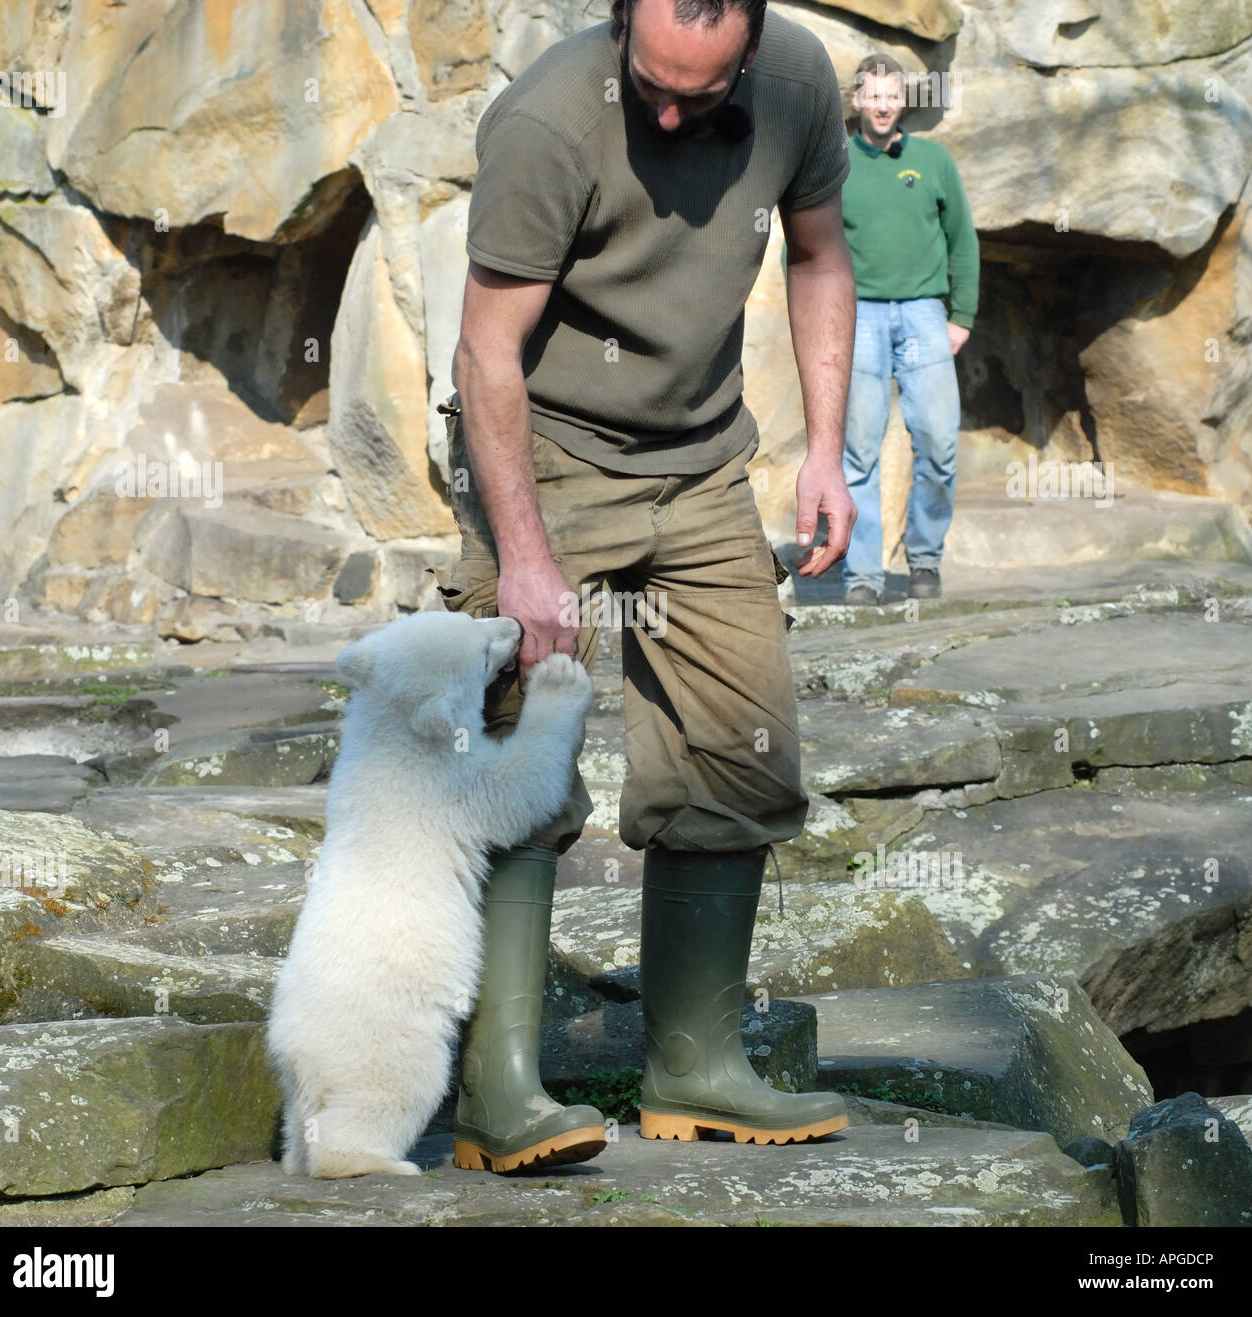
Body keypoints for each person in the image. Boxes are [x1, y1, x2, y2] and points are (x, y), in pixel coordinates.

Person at [432, 0, 858, 1174]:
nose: (670, 113)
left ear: (756, 47)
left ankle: (696, 1068)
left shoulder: (801, 80)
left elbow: (821, 254)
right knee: (517, 756)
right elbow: (486, 352)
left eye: (701, 94)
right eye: (652, 85)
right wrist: (522, 554)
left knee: (744, 747)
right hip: (548, 450)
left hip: (704, 457)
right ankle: (499, 1094)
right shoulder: (548, 125)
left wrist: (824, 451)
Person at [784, 51, 979, 603]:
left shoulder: (935, 161)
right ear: (857, 100)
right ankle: (864, 575)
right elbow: (806, 249)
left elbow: (963, 240)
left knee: (939, 446)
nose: (884, 105)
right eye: (874, 94)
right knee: (858, 453)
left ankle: (925, 560)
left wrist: (961, 316)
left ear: (903, 101)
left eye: (894, 95)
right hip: (858, 316)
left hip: (924, 311)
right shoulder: (835, 162)